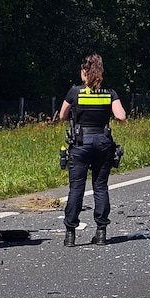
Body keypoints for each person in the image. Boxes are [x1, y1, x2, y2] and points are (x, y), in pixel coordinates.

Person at [58, 54, 126, 247]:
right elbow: (121, 116)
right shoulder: (109, 93)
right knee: (100, 187)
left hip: (80, 143)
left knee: (76, 188)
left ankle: (70, 234)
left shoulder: (75, 91)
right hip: (103, 142)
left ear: (84, 73)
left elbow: (62, 115)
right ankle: (101, 232)